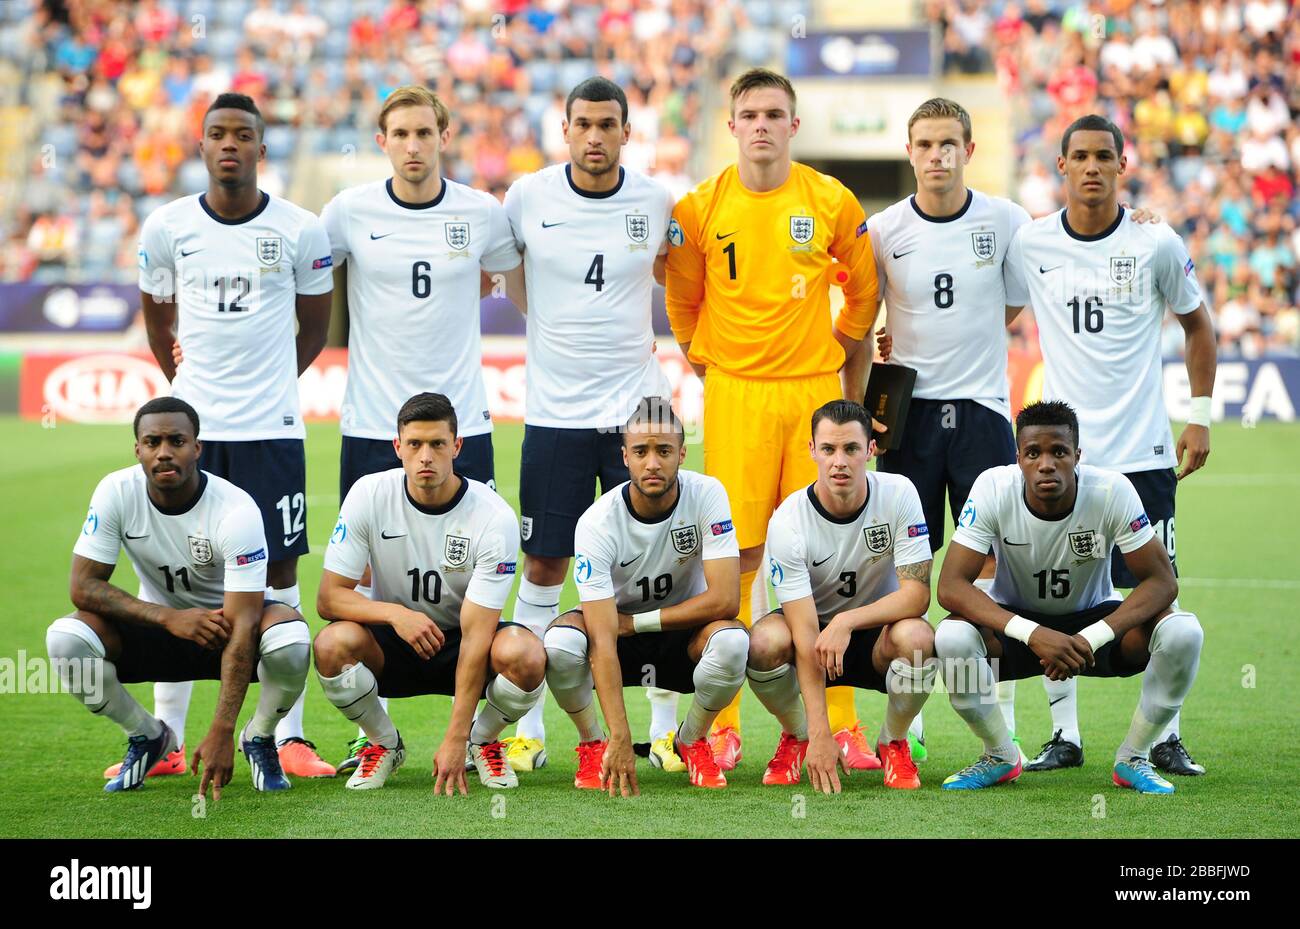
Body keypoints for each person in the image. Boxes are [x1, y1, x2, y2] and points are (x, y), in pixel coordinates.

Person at [665, 68, 881, 771]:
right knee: (739, 558)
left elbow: (864, 287)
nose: (761, 124)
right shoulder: (699, 207)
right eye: (749, 114)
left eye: (774, 113)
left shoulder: (830, 199)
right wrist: (712, 368)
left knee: (826, 557)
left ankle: (841, 722)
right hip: (737, 396)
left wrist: (841, 349)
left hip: (814, 390)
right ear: (731, 126)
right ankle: (723, 721)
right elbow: (682, 302)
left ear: (794, 125)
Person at [1003, 114, 1216, 777]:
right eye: (1080, 156)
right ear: (1061, 166)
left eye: (1105, 156)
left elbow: (1199, 326)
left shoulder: (1155, 241)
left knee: (1159, 595)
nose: (1092, 167)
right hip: (1064, 458)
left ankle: (1161, 736)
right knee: (1051, 593)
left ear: (1123, 166)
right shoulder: (1030, 242)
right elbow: (990, 314)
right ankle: (1063, 736)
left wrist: (1200, 414)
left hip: (1146, 454)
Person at [319, 85, 523, 774]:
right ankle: (375, 732)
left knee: (481, 574)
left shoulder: (482, 213)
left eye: (423, 134)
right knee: (366, 584)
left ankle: (485, 731)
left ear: (444, 136)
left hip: (464, 421)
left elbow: (521, 282)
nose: (412, 146)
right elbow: (309, 284)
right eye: (399, 134)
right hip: (372, 424)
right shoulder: (348, 212)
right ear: (382, 141)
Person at [135, 92, 335, 779]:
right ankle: (164, 739)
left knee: (280, 572)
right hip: (194, 435)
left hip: (272, 430)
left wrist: (274, 380)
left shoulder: (301, 230)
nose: (229, 145)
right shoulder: (165, 227)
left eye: (242, 135)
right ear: (201, 146)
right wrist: (188, 396)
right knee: (180, 578)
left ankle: (287, 737)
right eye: (217, 134)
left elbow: (315, 327)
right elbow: (158, 320)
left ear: (260, 148)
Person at [503, 77, 682, 774]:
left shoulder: (654, 199)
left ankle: (665, 732)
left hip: (640, 409)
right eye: (584, 123)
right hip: (555, 411)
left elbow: (678, 276)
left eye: (608, 124)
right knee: (545, 562)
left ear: (626, 132)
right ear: (566, 129)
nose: (595, 136)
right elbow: (513, 280)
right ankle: (532, 728)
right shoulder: (528, 197)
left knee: (658, 568)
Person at [864, 97, 1031, 763]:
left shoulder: (1006, 220)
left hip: (984, 409)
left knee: (994, 563)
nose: (937, 156)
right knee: (907, 566)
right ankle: (908, 722)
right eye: (925, 144)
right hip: (908, 415)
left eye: (948, 144)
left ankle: (1002, 719)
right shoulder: (883, 229)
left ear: (969, 149)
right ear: (910, 152)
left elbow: (1012, 302)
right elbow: (862, 313)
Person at [935, 401, 1203, 795]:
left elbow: (1162, 582)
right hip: (1018, 631)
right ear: (1018, 459)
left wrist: (1093, 636)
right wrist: (1033, 633)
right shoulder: (993, 487)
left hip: (1094, 630)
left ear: (1077, 456)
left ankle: (1134, 756)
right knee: (950, 638)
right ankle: (1000, 754)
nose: (1046, 463)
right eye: (1033, 453)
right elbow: (950, 587)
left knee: (1184, 631)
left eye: (1059, 452)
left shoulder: (1111, 490)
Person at [47, 397, 311, 797]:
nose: (164, 452)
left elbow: (243, 622)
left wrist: (222, 729)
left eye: (177, 441)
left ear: (197, 448)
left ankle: (258, 737)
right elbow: (83, 587)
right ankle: (149, 735)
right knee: (65, 639)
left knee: (291, 640)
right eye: (152, 442)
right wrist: (169, 618)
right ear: (138, 449)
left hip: (226, 629)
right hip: (159, 629)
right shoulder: (115, 492)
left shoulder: (235, 509)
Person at [314, 393, 543, 793]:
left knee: (526, 655)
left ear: (456, 447)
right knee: (333, 644)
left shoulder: (493, 516)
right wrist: (396, 615)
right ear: (397, 447)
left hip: (462, 643)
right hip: (394, 644)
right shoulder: (369, 494)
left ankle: (481, 741)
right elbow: (329, 598)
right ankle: (384, 743)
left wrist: (456, 737)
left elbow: (476, 635)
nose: (425, 456)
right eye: (415, 444)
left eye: (437, 444)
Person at [544, 397, 747, 794]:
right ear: (625, 457)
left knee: (733, 642)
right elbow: (602, 638)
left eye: (664, 451)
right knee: (562, 643)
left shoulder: (707, 495)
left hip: (681, 634)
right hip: (617, 641)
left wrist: (638, 622)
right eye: (641, 451)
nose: (652, 462)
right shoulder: (596, 523)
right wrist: (621, 736)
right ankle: (594, 742)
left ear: (682, 454)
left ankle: (690, 740)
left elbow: (725, 600)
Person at [750, 400, 935, 792]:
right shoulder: (788, 521)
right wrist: (821, 732)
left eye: (851, 449)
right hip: (813, 639)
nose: (840, 462)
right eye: (829, 449)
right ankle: (797, 736)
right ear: (812, 450)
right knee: (764, 642)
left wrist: (846, 620)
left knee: (918, 639)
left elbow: (917, 596)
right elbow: (802, 633)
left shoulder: (899, 493)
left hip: (874, 634)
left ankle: (894, 741)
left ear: (870, 450)